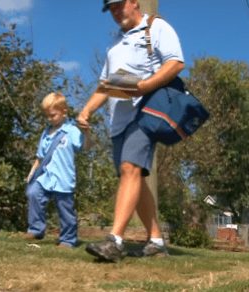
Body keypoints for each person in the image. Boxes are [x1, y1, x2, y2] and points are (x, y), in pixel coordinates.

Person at [77, 0, 185, 262]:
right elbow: (105, 85)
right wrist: (87, 110)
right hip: (118, 120)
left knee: (130, 169)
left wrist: (146, 85)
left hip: (146, 112)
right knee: (134, 178)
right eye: (111, 9)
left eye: (119, 6)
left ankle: (114, 241)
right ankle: (157, 242)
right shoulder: (115, 46)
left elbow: (175, 63)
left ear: (134, 2)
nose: (115, 12)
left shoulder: (155, 27)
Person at [24, 92, 93, 248]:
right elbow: (40, 157)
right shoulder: (46, 133)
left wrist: (87, 132)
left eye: (53, 115)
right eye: (47, 116)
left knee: (65, 210)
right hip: (45, 177)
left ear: (64, 112)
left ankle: (68, 239)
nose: (50, 119)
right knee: (33, 193)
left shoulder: (72, 131)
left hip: (63, 178)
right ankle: (36, 229)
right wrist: (32, 172)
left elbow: (86, 147)